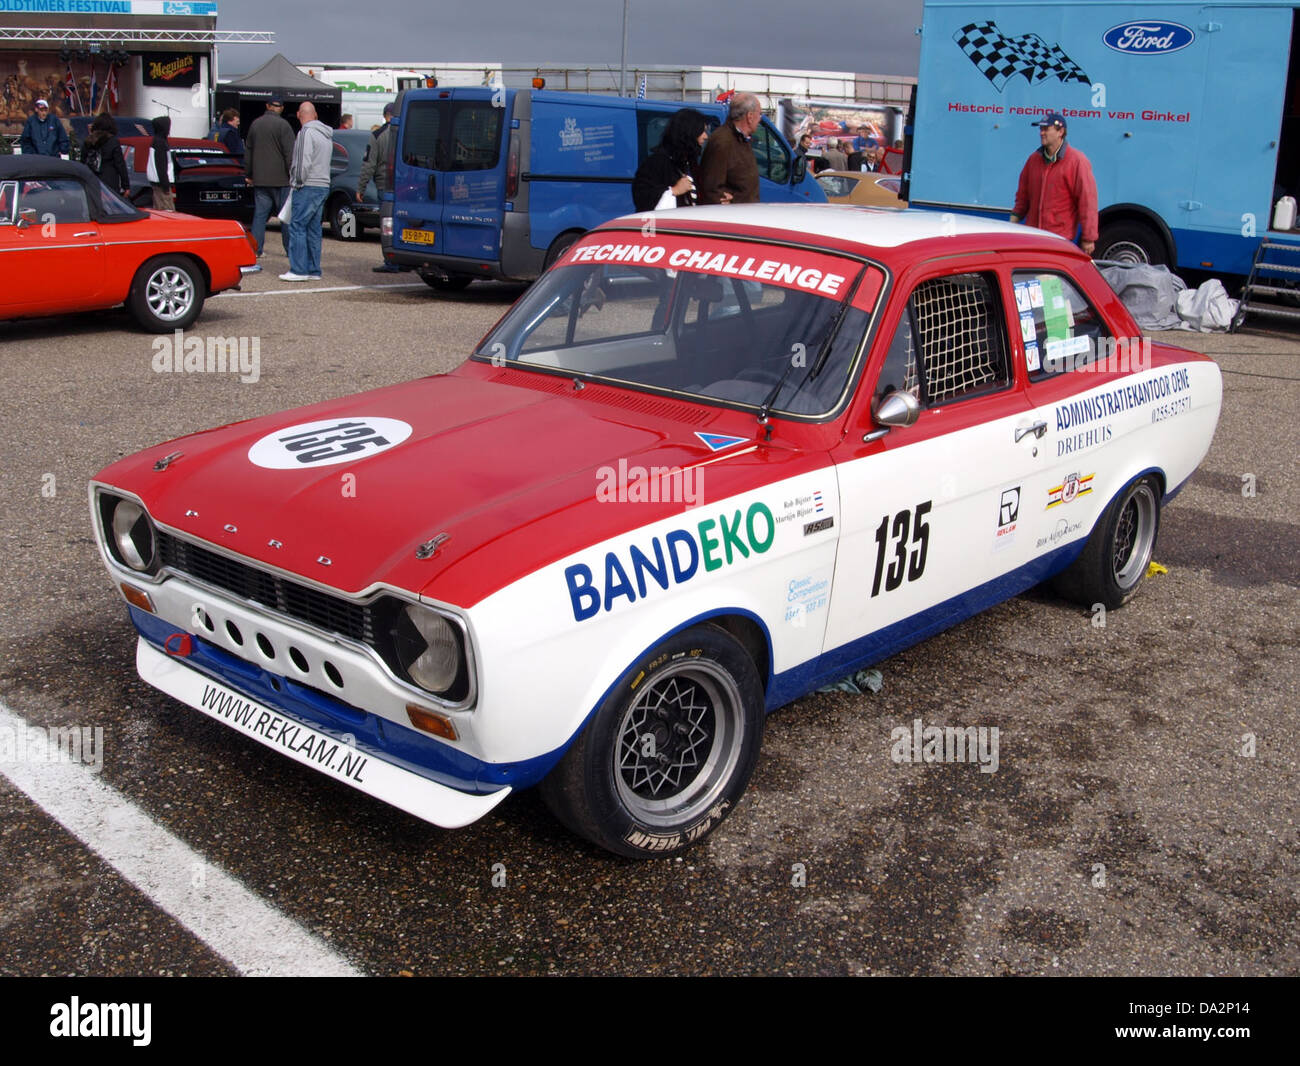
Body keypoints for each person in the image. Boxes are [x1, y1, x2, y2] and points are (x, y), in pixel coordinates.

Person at [1011, 112, 1098, 256]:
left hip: (1060, 240)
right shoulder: (1033, 160)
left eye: (1046, 129)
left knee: (1050, 279)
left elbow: (1087, 201)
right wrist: (1013, 222)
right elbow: (1023, 196)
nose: (1041, 133)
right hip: (1032, 237)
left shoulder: (1077, 161)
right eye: (1040, 129)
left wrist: (1089, 238)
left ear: (1060, 132)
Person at [281, 101, 333, 282]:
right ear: (315, 115)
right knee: (313, 229)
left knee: (297, 226)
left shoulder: (306, 133)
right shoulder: (326, 135)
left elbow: (303, 160)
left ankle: (298, 269)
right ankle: (313, 269)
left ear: (299, 115)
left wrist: (296, 182)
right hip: (322, 184)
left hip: (307, 185)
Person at [631, 107, 709, 212]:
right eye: (702, 131)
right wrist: (674, 190)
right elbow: (642, 197)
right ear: (690, 132)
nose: (706, 136)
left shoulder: (690, 163)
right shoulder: (657, 162)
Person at [244, 99, 294, 261]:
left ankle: (256, 249)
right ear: (281, 108)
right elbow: (289, 154)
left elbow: (249, 151)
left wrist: (249, 174)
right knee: (285, 217)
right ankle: (290, 249)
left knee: (259, 216)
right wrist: (292, 175)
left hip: (260, 178)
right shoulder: (284, 126)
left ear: (267, 106)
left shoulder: (255, 124)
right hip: (281, 179)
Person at [696, 92, 762, 205]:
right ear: (750, 116)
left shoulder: (741, 138)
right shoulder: (723, 141)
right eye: (759, 114)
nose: (760, 119)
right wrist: (730, 202)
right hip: (732, 216)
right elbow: (711, 188)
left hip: (745, 213)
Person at [359, 101, 401, 272]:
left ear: (385, 116)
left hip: (385, 184)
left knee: (386, 224)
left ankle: (391, 261)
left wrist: (360, 188)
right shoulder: (406, 132)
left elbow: (369, 164)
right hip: (405, 186)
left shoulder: (377, 135)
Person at [81, 113, 130, 196]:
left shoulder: (88, 141)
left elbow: (82, 161)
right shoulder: (112, 141)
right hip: (110, 180)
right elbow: (120, 164)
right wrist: (126, 186)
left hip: (92, 179)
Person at [146, 116, 175, 211]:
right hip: (161, 184)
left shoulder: (156, 140)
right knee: (167, 210)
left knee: (159, 209)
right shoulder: (160, 143)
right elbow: (161, 166)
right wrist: (166, 186)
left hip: (157, 183)